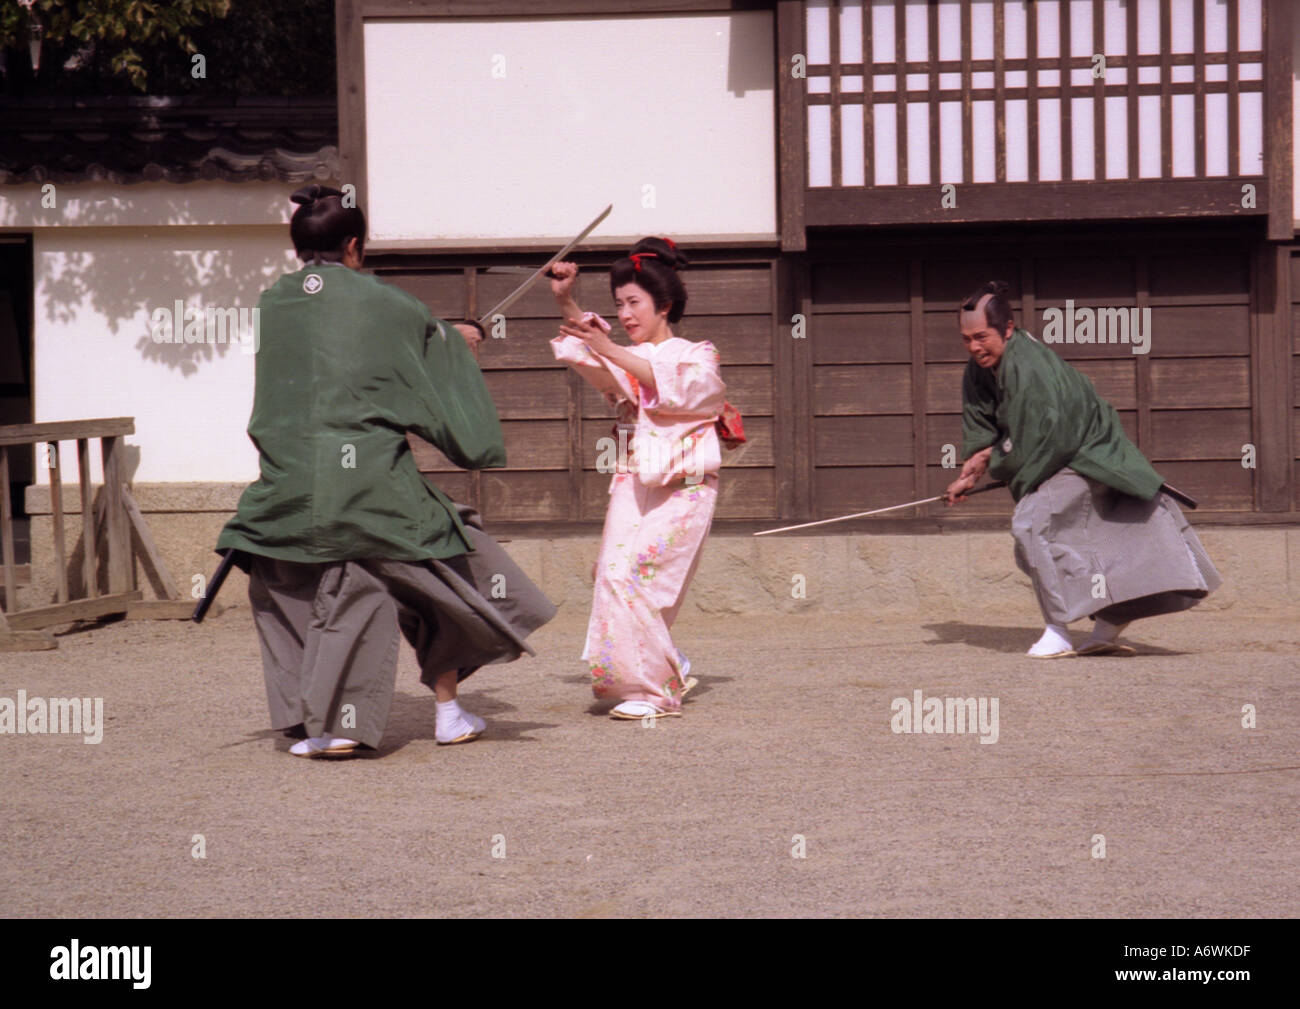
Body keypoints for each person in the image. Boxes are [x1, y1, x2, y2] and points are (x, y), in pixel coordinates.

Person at [216, 184, 556, 756]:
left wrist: (443, 336)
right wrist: (454, 342)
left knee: (291, 584)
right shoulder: (392, 305)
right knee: (440, 570)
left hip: (286, 487)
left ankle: (315, 720)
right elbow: (419, 356)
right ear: (354, 245)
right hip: (371, 488)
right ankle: (380, 720)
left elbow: (356, 349)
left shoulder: (274, 302)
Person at [945, 281, 1221, 658]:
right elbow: (982, 425)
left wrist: (995, 461)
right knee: (1052, 548)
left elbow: (1043, 438)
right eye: (966, 339)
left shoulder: (1030, 366)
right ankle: (1109, 621)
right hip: (1056, 454)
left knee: (1031, 524)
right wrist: (973, 466)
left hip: (1082, 454)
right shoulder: (981, 369)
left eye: (982, 336)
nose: (974, 347)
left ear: (1008, 328)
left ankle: (1058, 631)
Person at [548, 238, 725, 718]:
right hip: (633, 481)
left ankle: (656, 692)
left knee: (639, 575)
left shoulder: (696, 355)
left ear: (663, 305)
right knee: (610, 573)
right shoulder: (629, 358)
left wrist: (608, 347)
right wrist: (566, 298)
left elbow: (683, 391)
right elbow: (592, 350)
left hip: (684, 486)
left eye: (634, 303)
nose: (625, 314)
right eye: (619, 304)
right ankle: (644, 676)